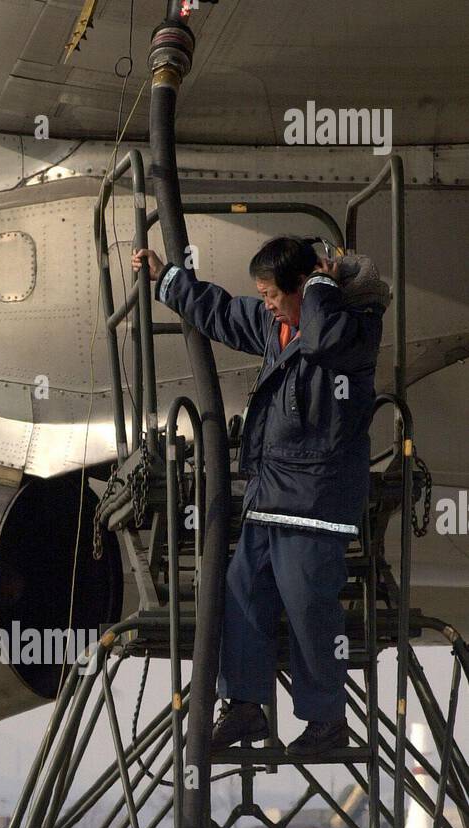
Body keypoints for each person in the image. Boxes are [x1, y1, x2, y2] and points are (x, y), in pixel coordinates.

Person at [132, 235, 388, 755]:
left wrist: (320, 284)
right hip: (271, 494)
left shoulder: (350, 328)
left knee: (307, 604)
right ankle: (246, 705)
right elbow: (222, 313)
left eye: (273, 293)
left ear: (305, 286)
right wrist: (168, 279)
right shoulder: (278, 325)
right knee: (241, 591)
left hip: (317, 500)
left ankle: (327, 722)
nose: (267, 303)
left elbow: (320, 341)